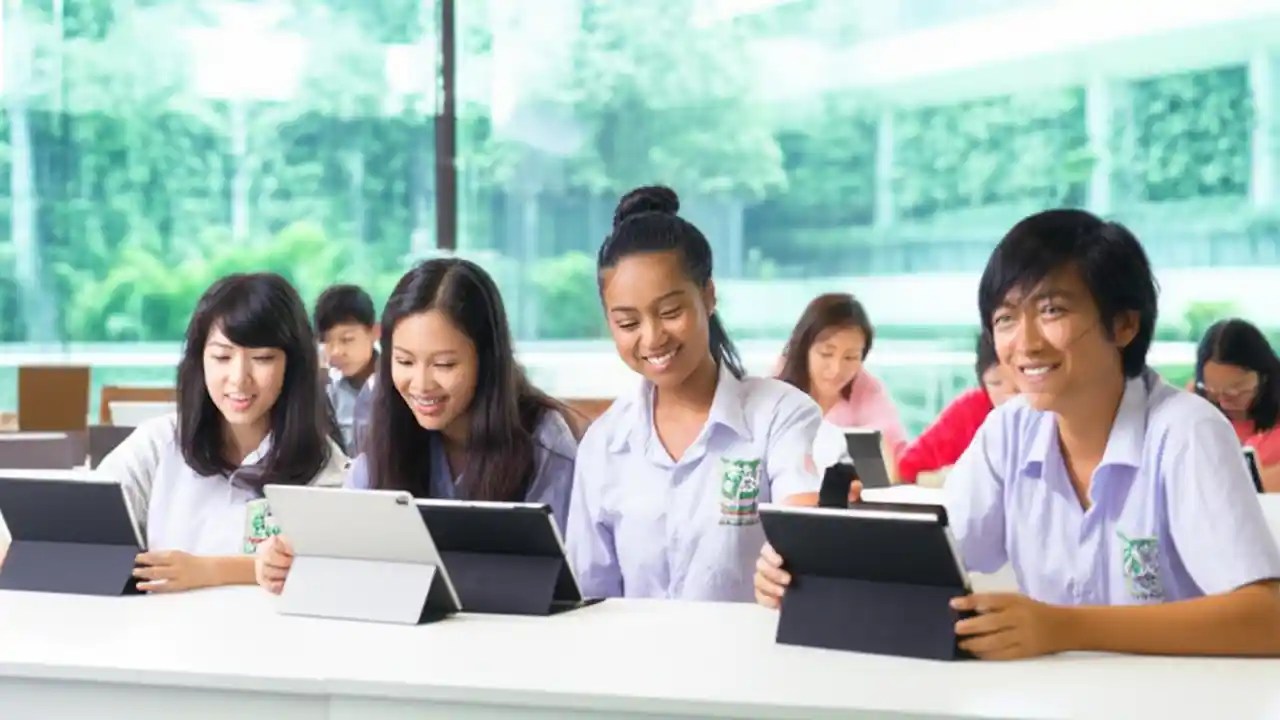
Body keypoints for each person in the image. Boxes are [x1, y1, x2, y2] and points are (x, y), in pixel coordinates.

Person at [754, 209, 1280, 658]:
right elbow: (938, 559)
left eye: (1052, 310)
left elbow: (1267, 616)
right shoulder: (1010, 428)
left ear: (1123, 324)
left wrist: (1061, 626)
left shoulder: (1186, 432)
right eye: (1005, 319)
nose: (1024, 343)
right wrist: (814, 563)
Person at [256, 259, 578, 594]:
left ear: (488, 359)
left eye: (444, 364)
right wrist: (288, 561)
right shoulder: (387, 436)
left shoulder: (543, 443)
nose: (421, 384)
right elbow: (349, 552)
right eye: (404, 361)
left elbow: (561, 583)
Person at [565, 185, 822, 603]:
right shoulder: (605, 444)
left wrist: (791, 561)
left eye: (670, 312)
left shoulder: (778, 415)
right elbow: (589, 596)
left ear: (708, 295)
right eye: (628, 323)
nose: (652, 338)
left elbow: (804, 519)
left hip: (750, 663)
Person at [98, 273, 349, 593]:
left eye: (261, 359)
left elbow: (324, 568)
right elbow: (86, 516)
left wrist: (209, 570)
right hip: (161, 636)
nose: (238, 378)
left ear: (293, 365)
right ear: (199, 359)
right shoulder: (159, 443)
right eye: (221, 357)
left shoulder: (325, 467)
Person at [776, 293, 908, 474]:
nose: (837, 369)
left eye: (851, 357)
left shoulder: (866, 390)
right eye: (826, 354)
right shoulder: (776, 391)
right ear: (804, 348)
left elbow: (893, 462)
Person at [895, 332, 1016, 483]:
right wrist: (949, 479)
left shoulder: (1051, 414)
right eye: (996, 383)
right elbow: (907, 469)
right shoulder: (971, 409)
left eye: (1019, 385)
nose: (1009, 395)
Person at [1195, 318, 1280, 492]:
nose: (1224, 401)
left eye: (1235, 391)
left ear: (1264, 377)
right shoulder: (1196, 406)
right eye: (1213, 390)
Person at [314, 284, 379, 455]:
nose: (336, 351)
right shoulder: (328, 389)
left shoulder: (397, 380)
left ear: (374, 333)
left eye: (347, 339)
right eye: (326, 341)